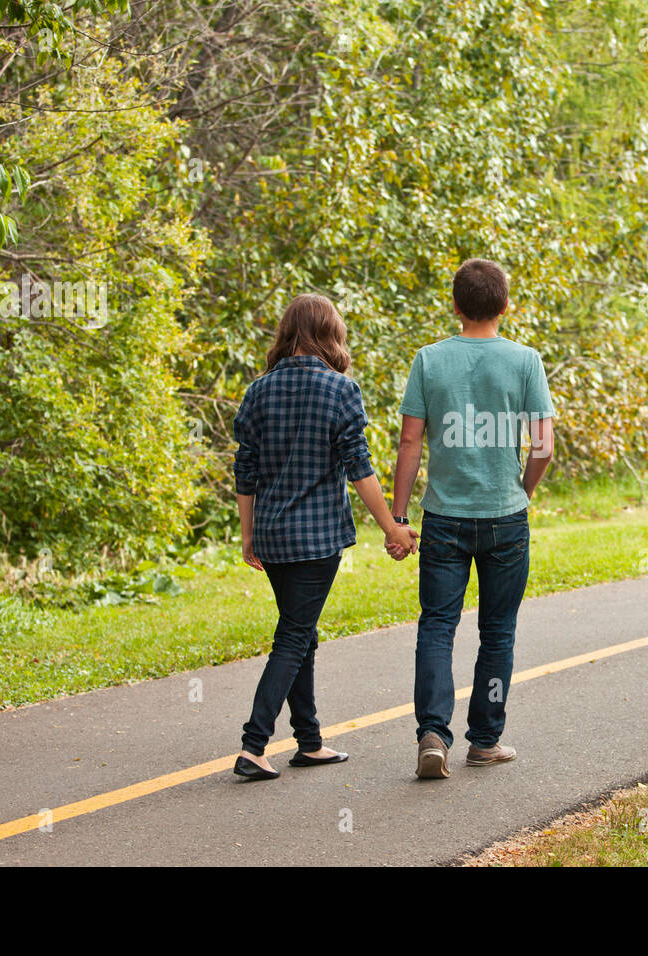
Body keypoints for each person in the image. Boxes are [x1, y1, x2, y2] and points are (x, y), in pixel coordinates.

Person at [232, 293, 417, 781]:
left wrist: (248, 536)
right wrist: (392, 527)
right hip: (315, 539)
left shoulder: (258, 391)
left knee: (301, 631)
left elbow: (245, 471)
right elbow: (360, 468)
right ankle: (253, 745)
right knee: (294, 635)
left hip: (271, 535)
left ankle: (309, 741)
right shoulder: (340, 389)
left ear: (287, 333)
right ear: (330, 334)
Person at [389, 259, 555, 779]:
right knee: (498, 631)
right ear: (505, 306)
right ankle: (484, 741)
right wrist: (520, 491)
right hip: (506, 518)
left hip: (444, 518)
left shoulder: (428, 361)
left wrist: (397, 516)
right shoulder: (526, 361)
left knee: (437, 626)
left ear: (456, 306)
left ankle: (433, 734)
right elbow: (544, 445)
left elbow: (410, 441)